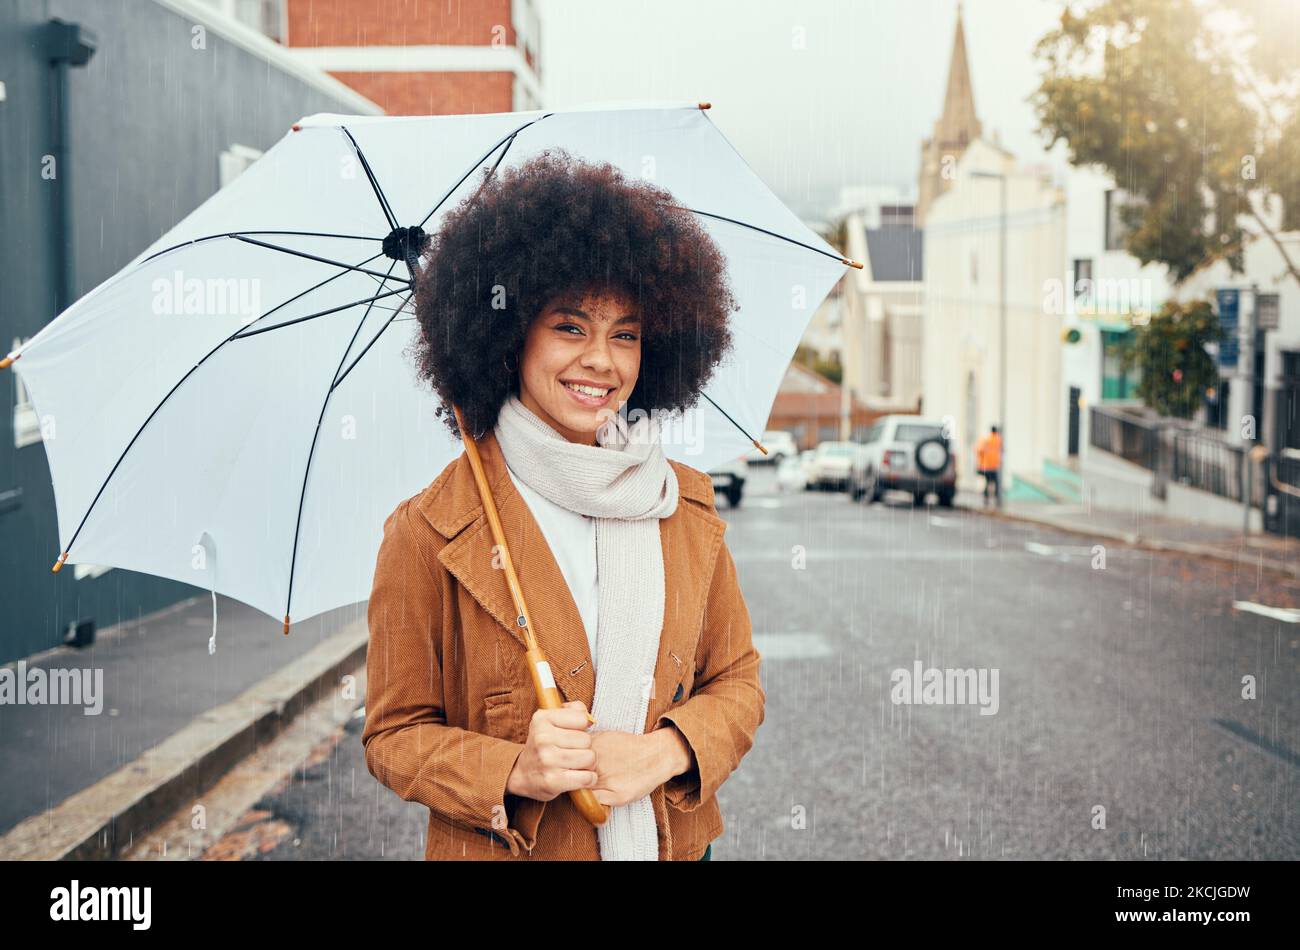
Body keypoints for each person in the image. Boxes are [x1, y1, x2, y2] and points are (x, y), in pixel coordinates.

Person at [363, 148, 764, 861]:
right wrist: (513, 768)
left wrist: (667, 751)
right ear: (510, 335)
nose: (602, 362)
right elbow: (394, 736)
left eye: (626, 335)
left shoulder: (684, 507)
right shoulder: (427, 531)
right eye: (570, 327)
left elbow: (737, 683)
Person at [974, 425, 1002, 506]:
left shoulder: (986, 439)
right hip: (994, 466)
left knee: (988, 482)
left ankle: (986, 498)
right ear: (996, 431)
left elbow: (978, 450)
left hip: (986, 466)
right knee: (996, 482)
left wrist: (980, 461)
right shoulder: (998, 439)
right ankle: (997, 498)